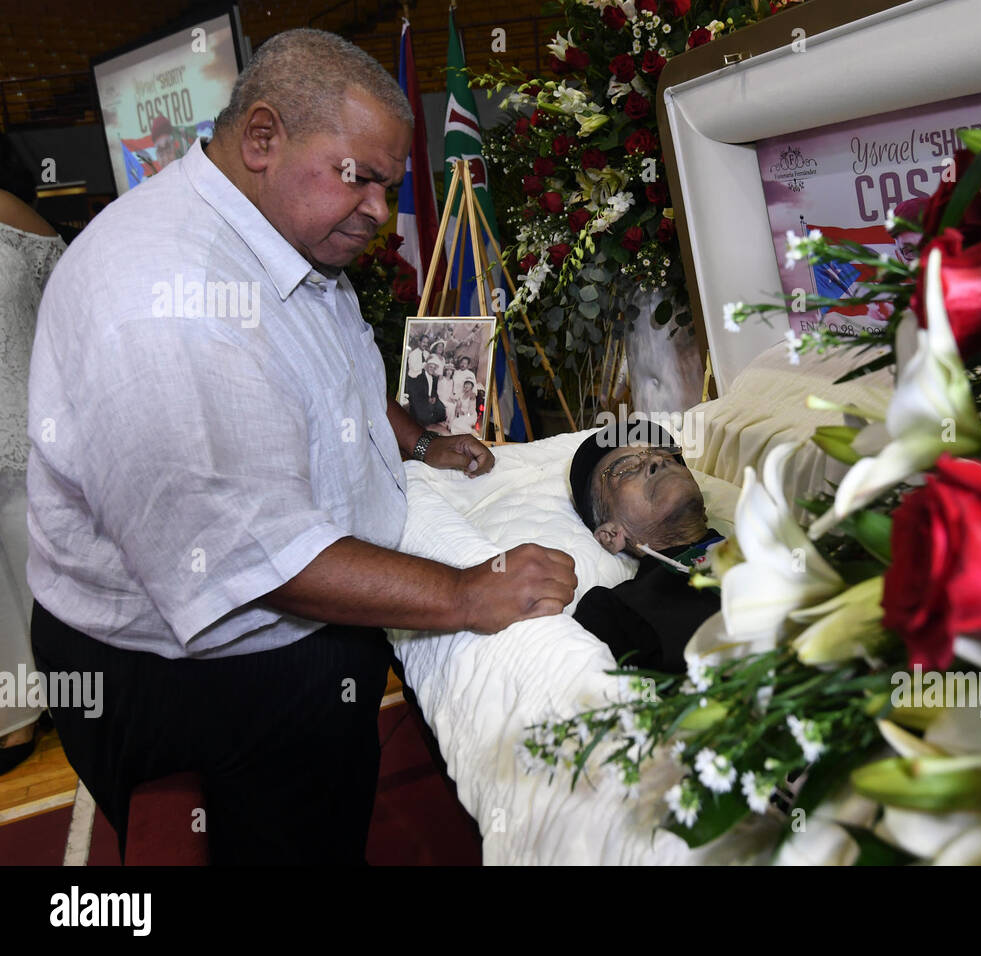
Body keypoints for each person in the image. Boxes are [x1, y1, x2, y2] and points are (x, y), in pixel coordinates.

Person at [25, 29, 576, 863]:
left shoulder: (278, 223)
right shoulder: (167, 307)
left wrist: (416, 440)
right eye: (361, 179)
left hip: (295, 627)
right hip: (195, 672)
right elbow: (256, 558)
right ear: (261, 138)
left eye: (389, 187)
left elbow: (331, 371)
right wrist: (469, 591)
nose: (380, 213)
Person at [0, 135, 66, 774]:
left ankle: (58, 702)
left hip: (22, 424)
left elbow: (66, 291)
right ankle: (13, 717)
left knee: (30, 565)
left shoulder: (13, 215)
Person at [568, 421, 723, 674]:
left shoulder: (778, 542)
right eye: (627, 468)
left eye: (665, 455)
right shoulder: (616, 613)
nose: (658, 461)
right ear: (611, 534)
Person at [407, 355, 447, 428]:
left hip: (430, 397)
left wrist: (434, 397)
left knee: (441, 408)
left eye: (434, 368)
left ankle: (434, 424)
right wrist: (427, 398)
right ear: (427, 367)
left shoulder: (434, 378)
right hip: (421, 397)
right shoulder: (420, 376)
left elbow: (434, 389)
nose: (432, 369)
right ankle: (424, 424)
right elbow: (418, 391)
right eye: (430, 367)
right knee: (424, 413)